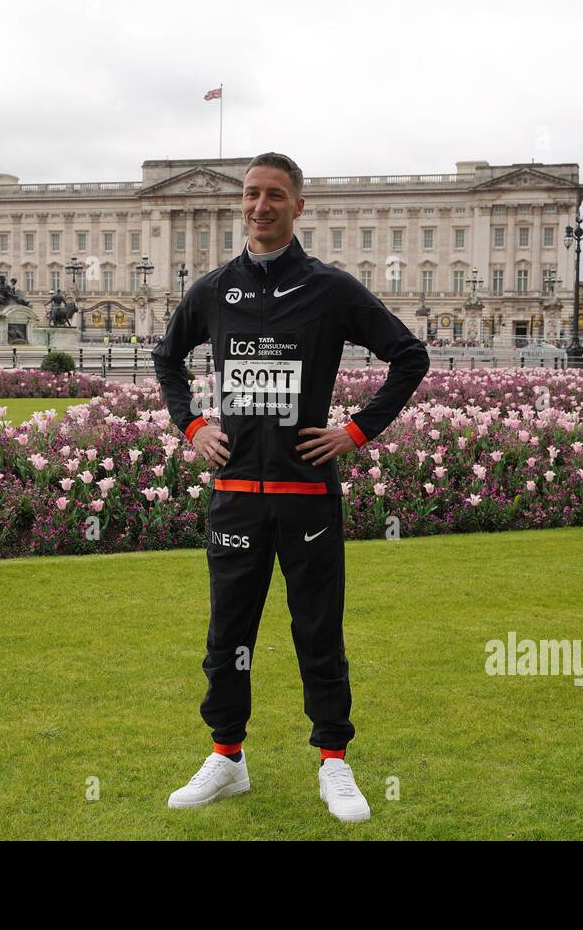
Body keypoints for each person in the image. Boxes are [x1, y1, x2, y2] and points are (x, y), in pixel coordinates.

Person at [151, 152, 429, 823]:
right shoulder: (214, 289)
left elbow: (408, 355)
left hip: (307, 493)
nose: (260, 205)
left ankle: (334, 761)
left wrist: (355, 433)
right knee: (228, 637)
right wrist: (190, 426)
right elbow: (166, 355)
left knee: (317, 634)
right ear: (240, 204)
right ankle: (227, 757)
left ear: (298, 205)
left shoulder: (331, 289)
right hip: (236, 493)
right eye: (251, 195)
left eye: (275, 195)